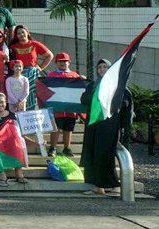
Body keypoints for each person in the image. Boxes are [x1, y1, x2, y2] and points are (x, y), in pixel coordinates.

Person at [81, 59, 132, 195]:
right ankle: (98, 186)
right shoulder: (93, 85)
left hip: (109, 126)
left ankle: (112, 184)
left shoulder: (117, 85)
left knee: (105, 155)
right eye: (99, 67)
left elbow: (125, 104)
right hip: (94, 125)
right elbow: (84, 100)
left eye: (105, 67)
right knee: (93, 154)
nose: (102, 69)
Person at [47, 52, 85, 158]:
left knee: (68, 129)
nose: (62, 63)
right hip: (56, 109)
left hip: (70, 109)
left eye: (65, 61)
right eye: (60, 61)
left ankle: (67, 148)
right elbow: (44, 88)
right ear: (56, 63)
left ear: (69, 63)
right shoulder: (51, 75)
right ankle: (53, 147)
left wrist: (83, 79)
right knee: (56, 129)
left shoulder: (75, 75)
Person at [9, 25, 54, 110]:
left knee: (32, 96)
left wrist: (40, 67)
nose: (21, 34)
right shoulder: (13, 47)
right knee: (19, 96)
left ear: (27, 33)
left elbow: (49, 55)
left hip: (33, 75)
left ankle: (31, 118)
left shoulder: (35, 44)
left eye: (23, 32)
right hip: (19, 75)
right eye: (18, 33)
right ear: (16, 36)